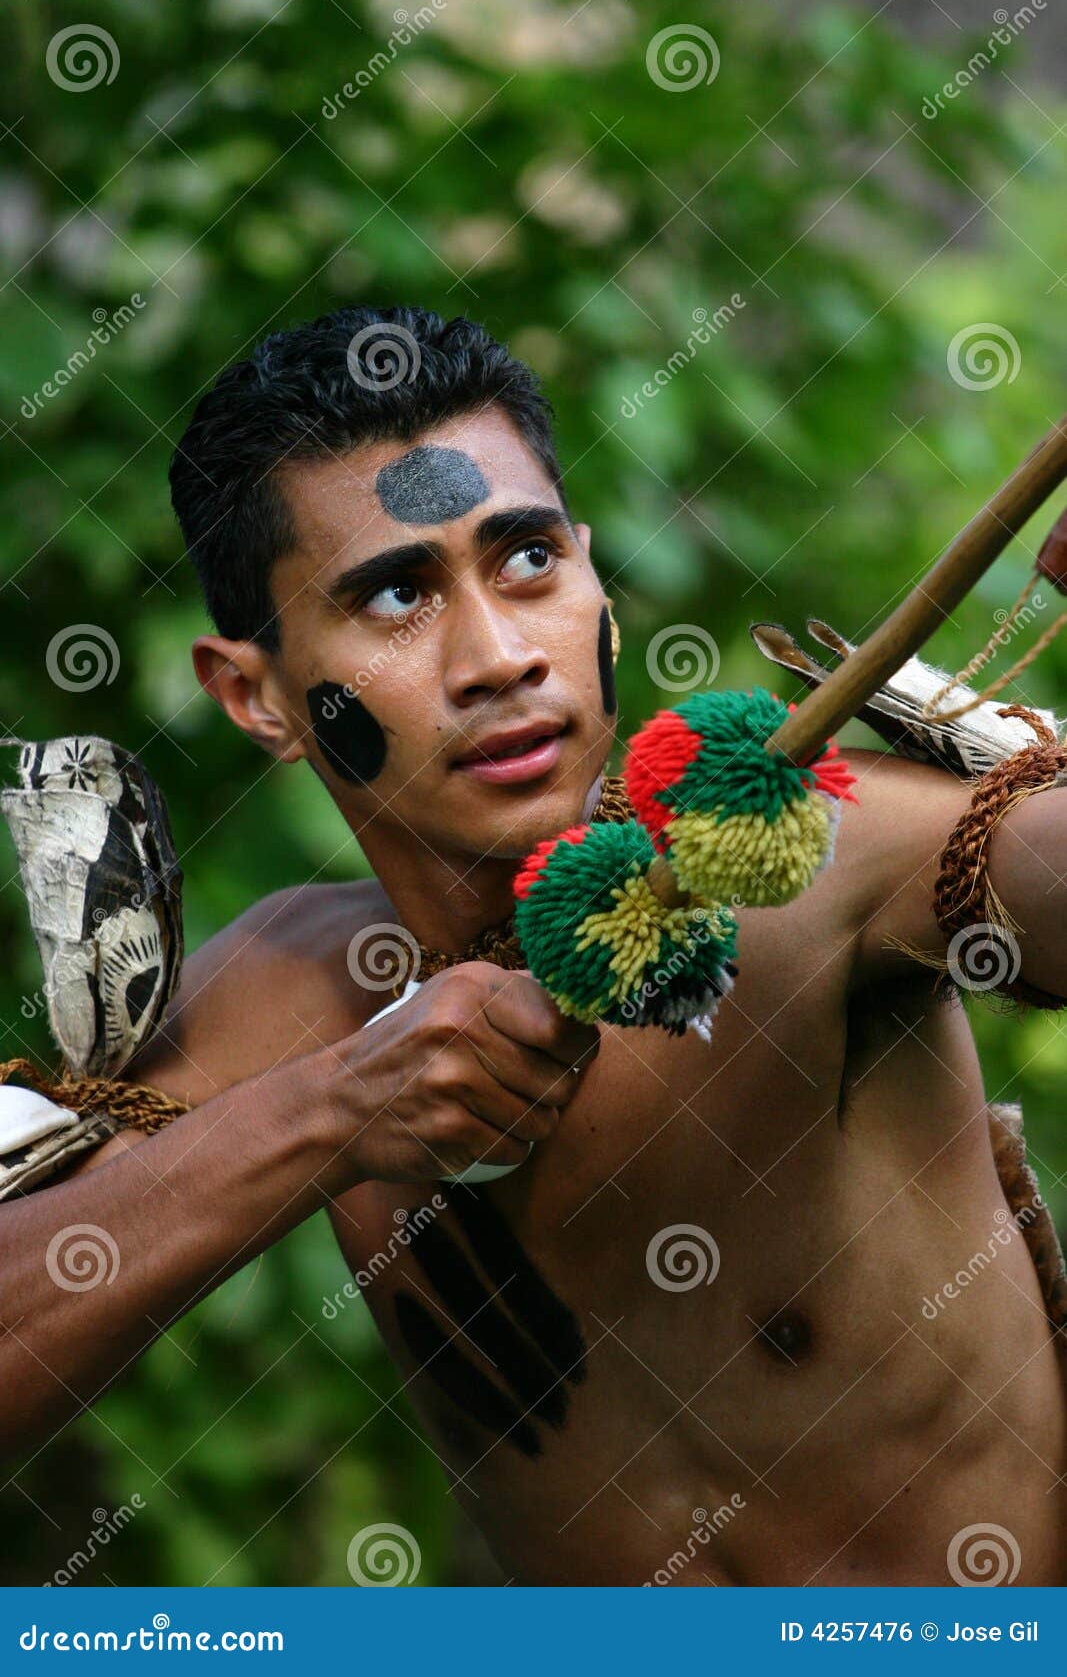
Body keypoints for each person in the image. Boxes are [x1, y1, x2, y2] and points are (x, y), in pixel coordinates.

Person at [3, 306, 1066, 1586]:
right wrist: (331, 1115)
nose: (498, 657)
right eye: (396, 594)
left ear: (595, 582)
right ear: (257, 695)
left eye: (524, 563)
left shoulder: (810, 849)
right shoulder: (290, 999)